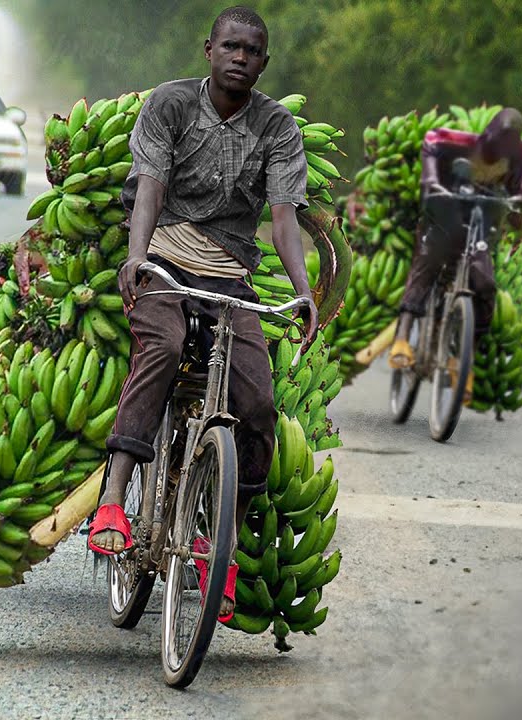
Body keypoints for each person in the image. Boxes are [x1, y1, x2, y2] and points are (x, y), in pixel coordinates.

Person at [88, 6, 316, 624]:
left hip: (228, 273)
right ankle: (113, 501)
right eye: (231, 46)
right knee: (161, 347)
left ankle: (224, 548)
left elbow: (283, 219)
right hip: (165, 256)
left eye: (252, 51)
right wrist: (137, 257)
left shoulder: (276, 126)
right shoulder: (171, 104)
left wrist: (302, 293)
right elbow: (150, 185)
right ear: (209, 50)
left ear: (264, 63)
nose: (240, 57)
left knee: (258, 401)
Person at [388, 107, 522, 397]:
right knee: (429, 259)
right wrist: (432, 182)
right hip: (444, 214)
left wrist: (519, 201)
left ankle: (465, 358)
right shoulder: (453, 142)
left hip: (482, 223)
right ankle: (402, 337)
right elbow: (431, 143)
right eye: (496, 142)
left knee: (485, 284)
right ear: (487, 135)